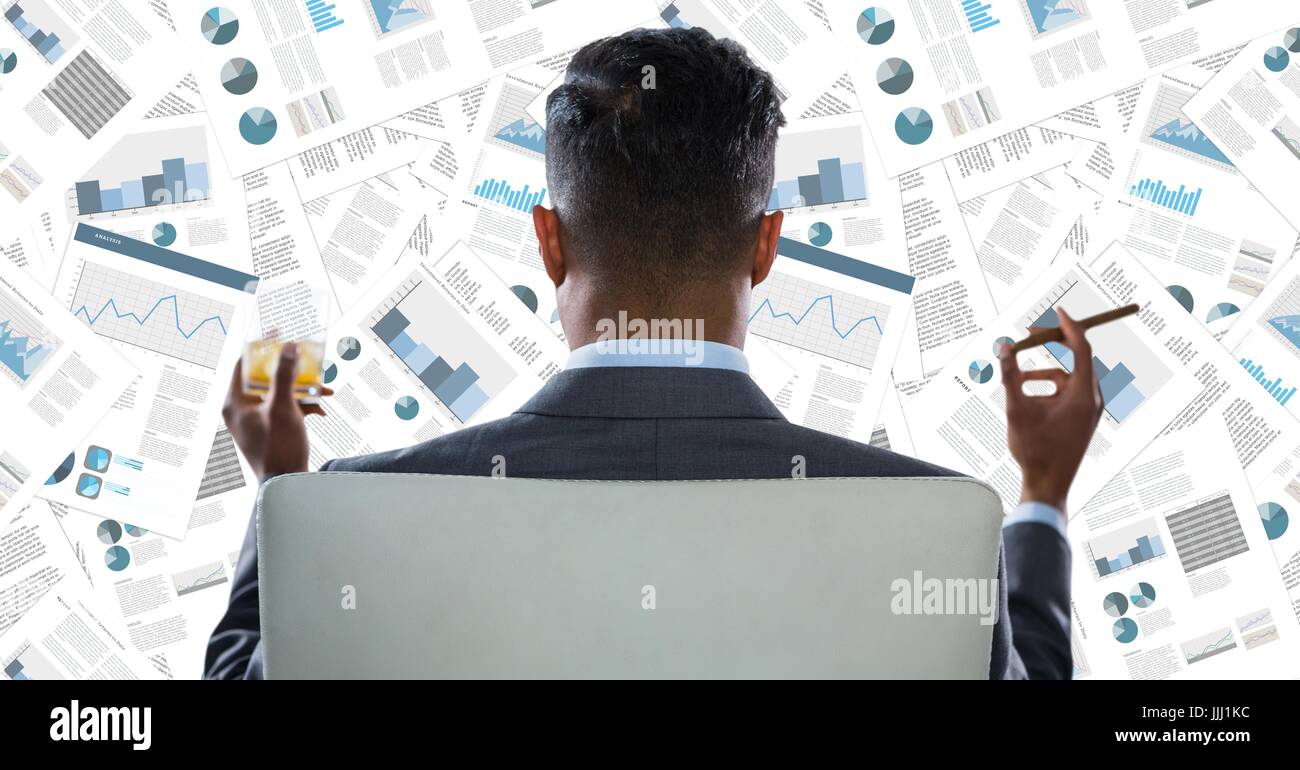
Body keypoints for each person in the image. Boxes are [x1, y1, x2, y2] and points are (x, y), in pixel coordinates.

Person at [206, 27, 1102, 680]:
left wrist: (282, 491)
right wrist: (1041, 499)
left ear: (548, 243)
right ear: (766, 246)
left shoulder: (361, 516)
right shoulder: (931, 525)